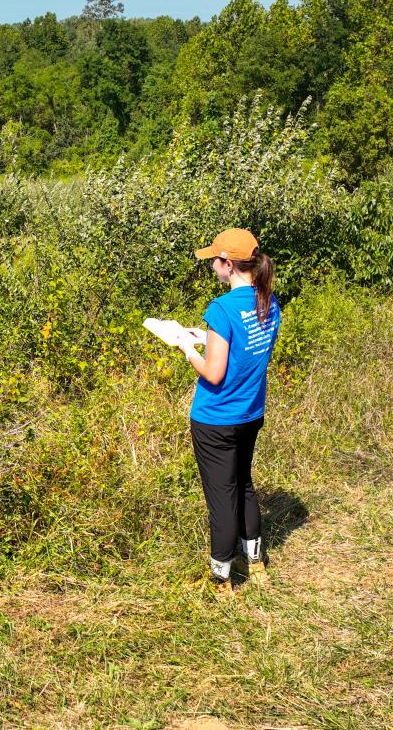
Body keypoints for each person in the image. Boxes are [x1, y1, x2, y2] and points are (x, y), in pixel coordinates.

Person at [179, 228, 280, 594]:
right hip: (250, 413)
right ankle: (256, 563)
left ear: (228, 264)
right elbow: (248, 351)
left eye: (215, 261)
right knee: (244, 484)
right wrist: (206, 336)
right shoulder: (269, 302)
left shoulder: (221, 309)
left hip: (215, 418)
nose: (212, 267)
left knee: (222, 496)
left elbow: (215, 372)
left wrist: (187, 349)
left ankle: (221, 579)